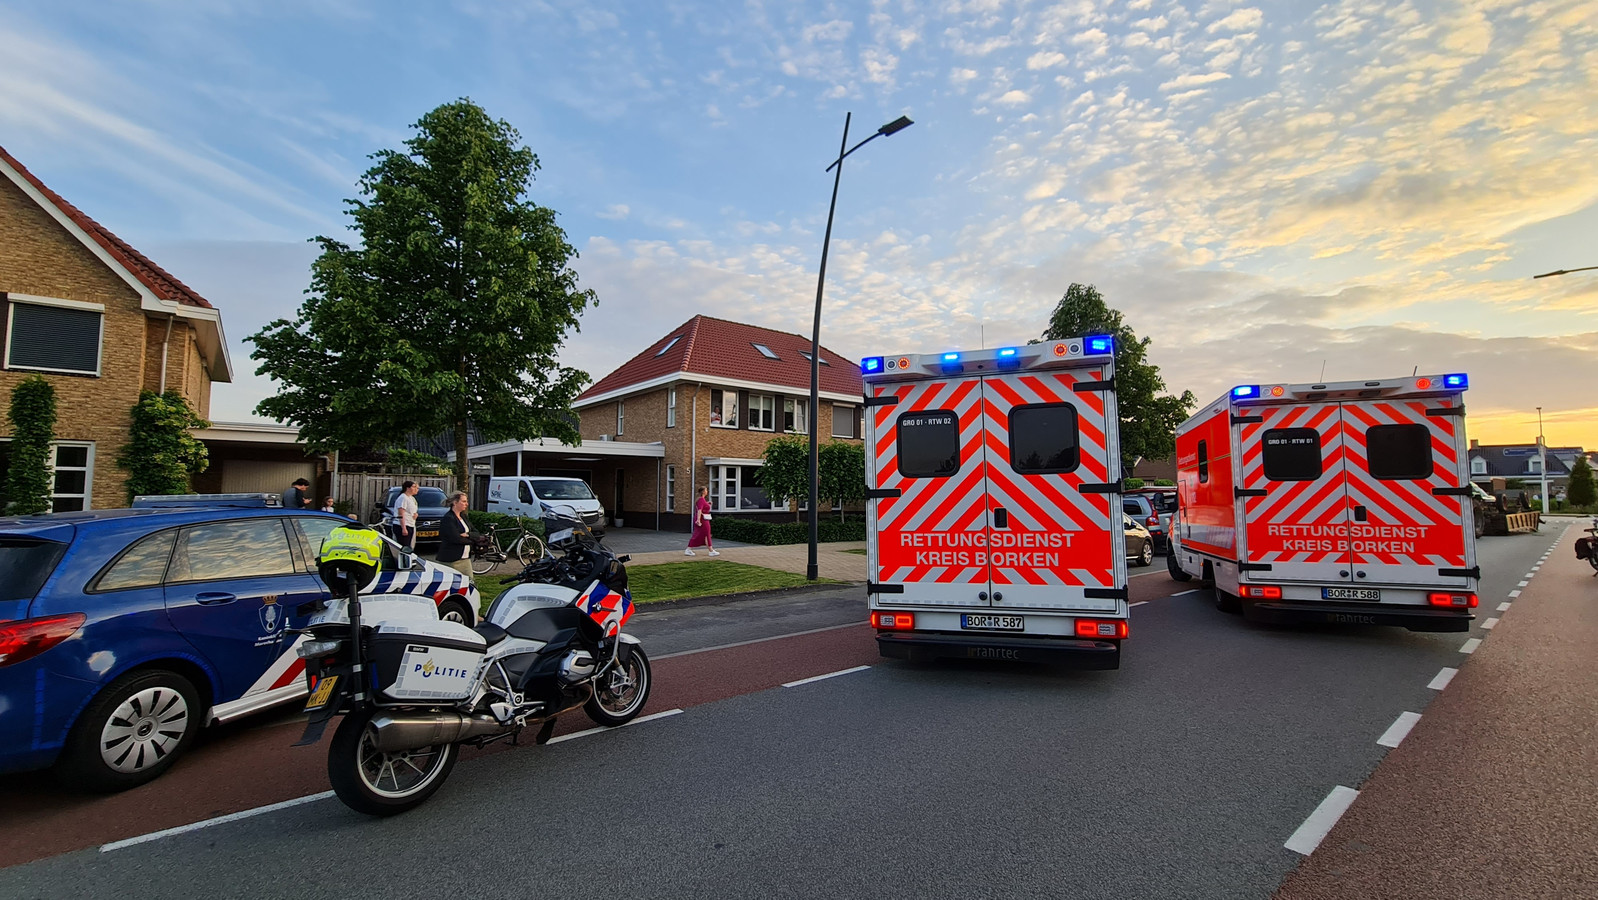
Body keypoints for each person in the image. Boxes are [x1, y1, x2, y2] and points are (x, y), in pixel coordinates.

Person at [435, 491, 475, 580]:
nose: (466, 504)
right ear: (455, 502)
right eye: (464, 501)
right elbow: (456, 538)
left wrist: (468, 535)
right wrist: (472, 539)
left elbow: (476, 532)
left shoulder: (463, 517)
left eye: (466, 501)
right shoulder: (448, 518)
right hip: (452, 559)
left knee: (470, 582)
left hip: (465, 559)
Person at [685, 486, 718, 556]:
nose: (707, 491)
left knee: (701, 534)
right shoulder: (701, 500)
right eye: (706, 490)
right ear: (703, 492)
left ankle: (689, 549)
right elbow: (699, 510)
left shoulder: (702, 500)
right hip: (702, 520)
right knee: (705, 534)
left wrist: (708, 504)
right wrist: (698, 520)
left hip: (703, 519)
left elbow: (702, 508)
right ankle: (711, 550)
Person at [395, 481, 420, 549]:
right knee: (404, 547)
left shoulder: (411, 498)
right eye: (414, 487)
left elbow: (411, 510)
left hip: (410, 524)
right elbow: (400, 514)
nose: (416, 489)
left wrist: (415, 514)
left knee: (409, 545)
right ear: (408, 488)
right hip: (403, 525)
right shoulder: (403, 498)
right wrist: (404, 528)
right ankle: (403, 559)